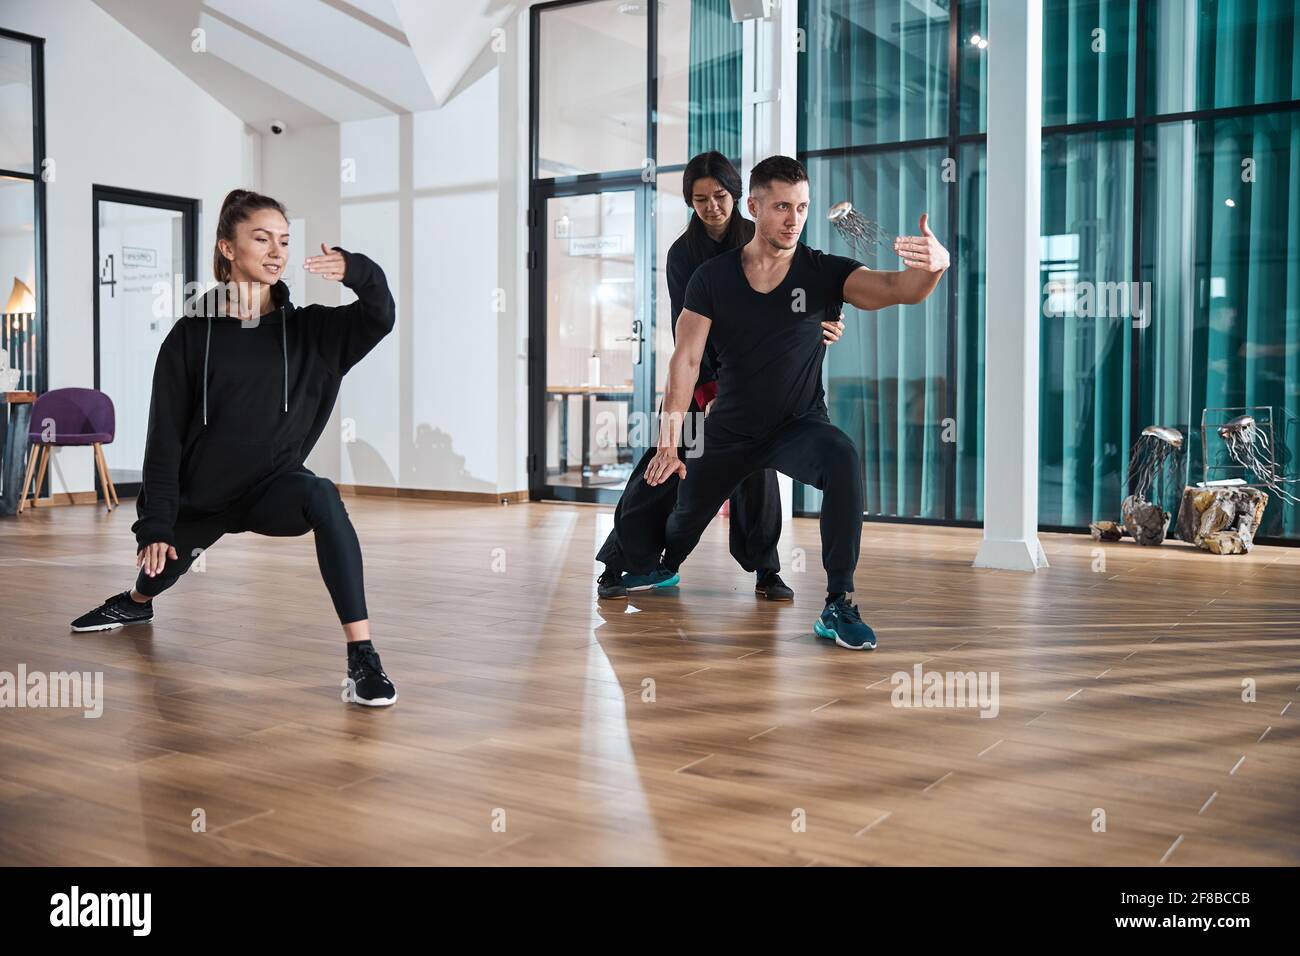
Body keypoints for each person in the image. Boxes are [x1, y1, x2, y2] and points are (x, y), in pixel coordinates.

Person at [70, 189, 399, 706]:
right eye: (261, 238)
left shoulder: (313, 330)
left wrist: (355, 269)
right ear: (228, 248)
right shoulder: (188, 336)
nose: (276, 251)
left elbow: (380, 314)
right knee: (154, 579)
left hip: (273, 489)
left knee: (324, 496)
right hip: (205, 496)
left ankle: (363, 656)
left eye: (284, 241)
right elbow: (165, 435)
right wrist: (155, 522)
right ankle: (135, 603)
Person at [645, 155, 949, 650]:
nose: (794, 219)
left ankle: (838, 601)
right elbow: (685, 360)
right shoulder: (709, 276)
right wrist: (669, 441)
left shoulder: (824, 271)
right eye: (783, 206)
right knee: (683, 519)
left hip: (797, 423)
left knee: (842, 458)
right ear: (755, 207)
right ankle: (664, 562)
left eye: (802, 207)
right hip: (730, 424)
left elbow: (898, 288)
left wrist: (935, 269)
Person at [596, 151, 845, 601]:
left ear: (739, 198)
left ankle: (766, 570)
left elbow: (804, 300)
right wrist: (709, 390)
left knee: (756, 474)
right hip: (697, 386)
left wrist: (825, 324)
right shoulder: (682, 255)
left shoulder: (760, 238)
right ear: (690, 202)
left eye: (720, 195)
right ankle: (625, 562)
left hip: (751, 390)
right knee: (661, 469)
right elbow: (686, 336)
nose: (711, 206)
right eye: (700, 198)